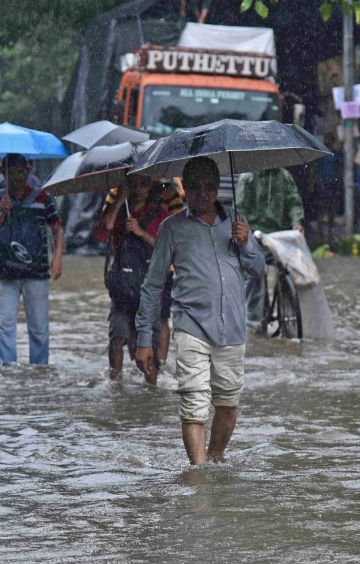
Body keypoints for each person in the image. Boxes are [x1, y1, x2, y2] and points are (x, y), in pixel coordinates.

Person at [134, 157, 264, 465]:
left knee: (228, 405)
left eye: (208, 187)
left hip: (232, 329)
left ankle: (215, 457)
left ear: (217, 188)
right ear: (185, 189)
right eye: (194, 188)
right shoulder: (172, 228)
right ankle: (198, 474)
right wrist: (143, 339)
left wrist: (245, 243)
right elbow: (152, 286)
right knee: (193, 403)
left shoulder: (237, 223)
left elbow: (258, 270)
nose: (201, 194)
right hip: (190, 326)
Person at [0, 153, 64, 364]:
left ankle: (39, 370)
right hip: (5, 271)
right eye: (12, 173)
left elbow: (57, 229)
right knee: (5, 325)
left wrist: (57, 259)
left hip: (36, 272)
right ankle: (6, 368)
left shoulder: (42, 197)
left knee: (39, 328)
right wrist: (1, 213)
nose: (17, 177)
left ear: (27, 172)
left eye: (21, 172)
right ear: (4, 174)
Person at [96, 173, 171, 383]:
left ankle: (152, 390)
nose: (139, 189)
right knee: (117, 337)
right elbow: (103, 232)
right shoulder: (119, 211)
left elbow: (165, 249)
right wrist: (120, 200)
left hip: (149, 287)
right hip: (122, 288)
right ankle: (115, 384)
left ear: (150, 187)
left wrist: (140, 232)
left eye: (144, 184)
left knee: (151, 345)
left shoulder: (160, 214)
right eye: (134, 184)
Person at [235, 166, 305, 324]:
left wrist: (296, 222)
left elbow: (294, 202)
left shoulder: (284, 177)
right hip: (255, 235)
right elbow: (240, 209)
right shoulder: (247, 178)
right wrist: (246, 231)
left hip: (279, 236)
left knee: (295, 270)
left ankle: (294, 309)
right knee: (255, 274)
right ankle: (252, 322)